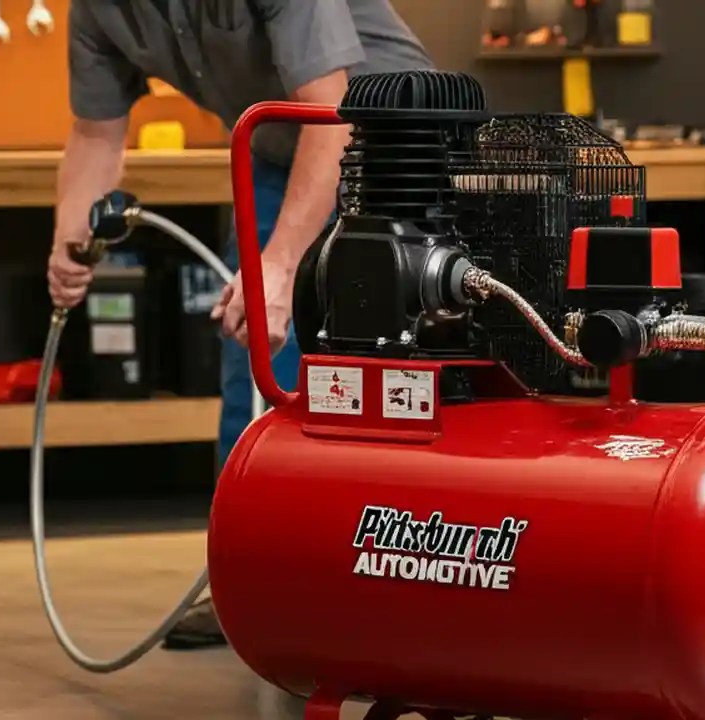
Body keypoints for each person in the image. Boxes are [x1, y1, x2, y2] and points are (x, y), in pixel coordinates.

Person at [47, 1, 434, 649]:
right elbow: (95, 133)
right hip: (284, 149)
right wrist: (70, 231)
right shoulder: (97, 10)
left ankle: (407, 582)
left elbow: (331, 110)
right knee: (252, 358)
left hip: (395, 148)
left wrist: (279, 267)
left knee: (390, 372)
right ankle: (251, 586)